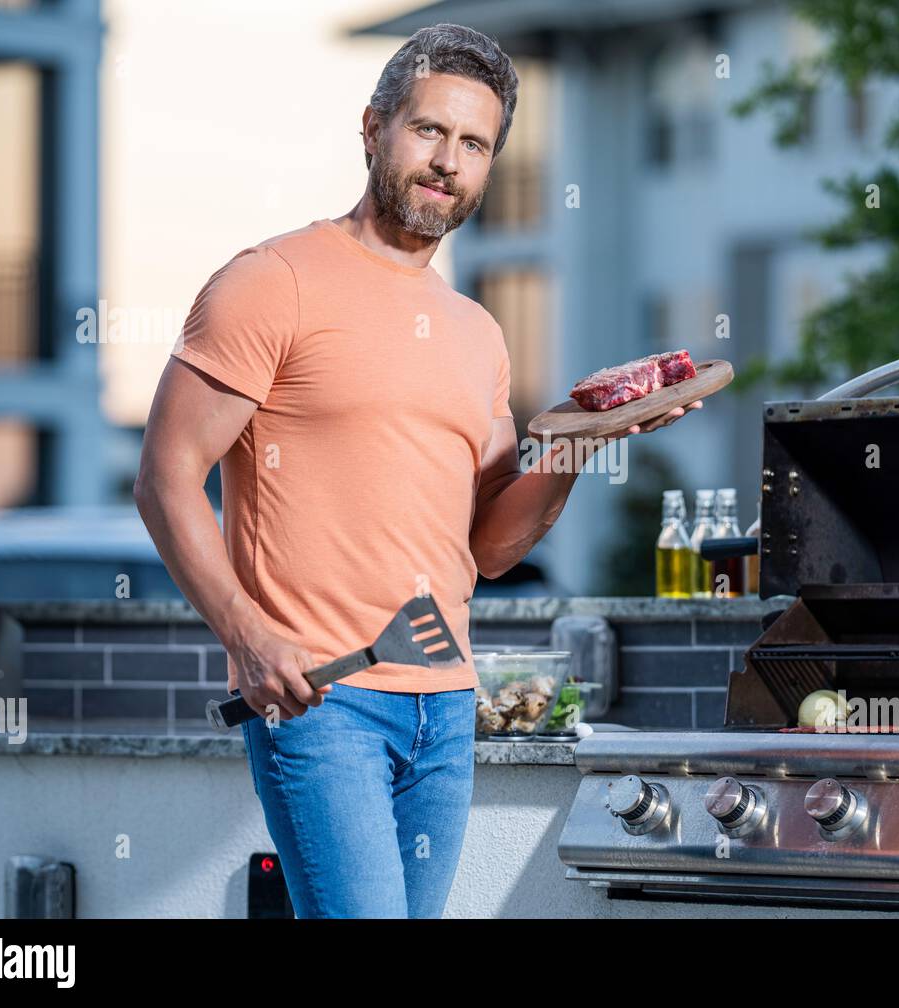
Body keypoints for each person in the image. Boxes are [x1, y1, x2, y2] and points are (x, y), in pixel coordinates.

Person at [134, 22, 702, 918]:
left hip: (445, 704)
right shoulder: (272, 280)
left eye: (474, 144)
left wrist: (578, 445)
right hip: (324, 701)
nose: (447, 161)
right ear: (373, 129)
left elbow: (490, 548)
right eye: (429, 130)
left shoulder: (477, 333)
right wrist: (245, 634)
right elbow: (165, 476)